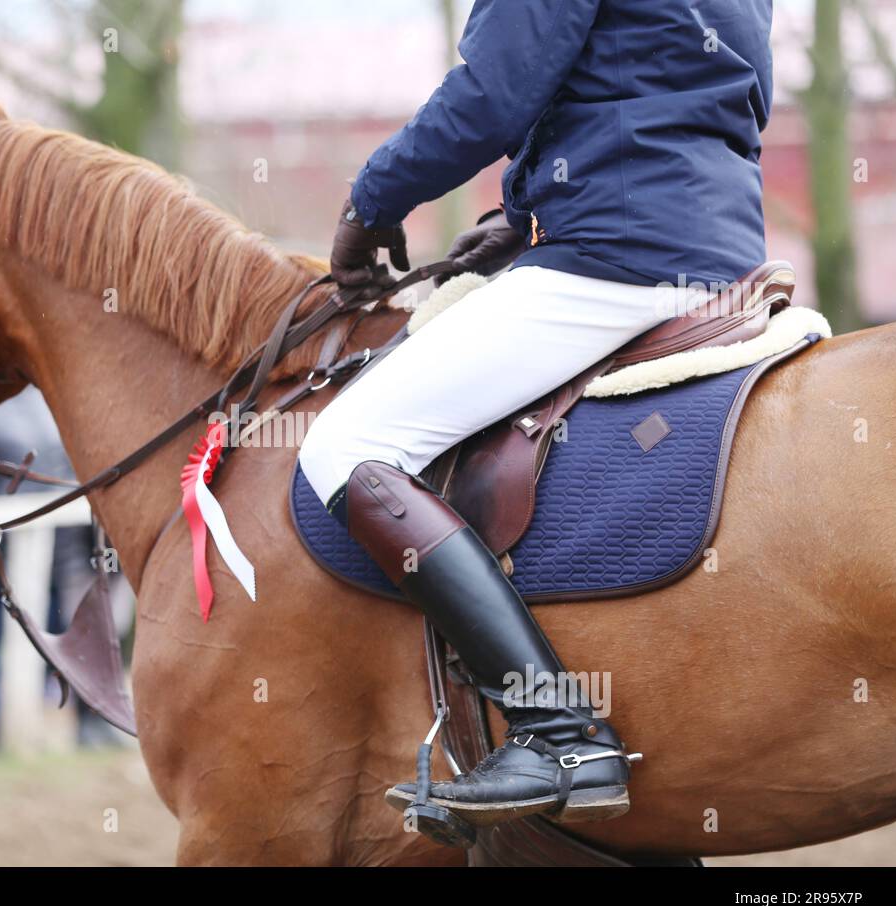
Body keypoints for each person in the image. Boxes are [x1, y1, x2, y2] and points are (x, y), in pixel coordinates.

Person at [297, 0, 773, 827]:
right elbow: (702, 90)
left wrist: (369, 204)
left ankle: (556, 728)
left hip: (618, 257)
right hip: (719, 246)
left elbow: (493, 92)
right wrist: (523, 222)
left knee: (345, 441)